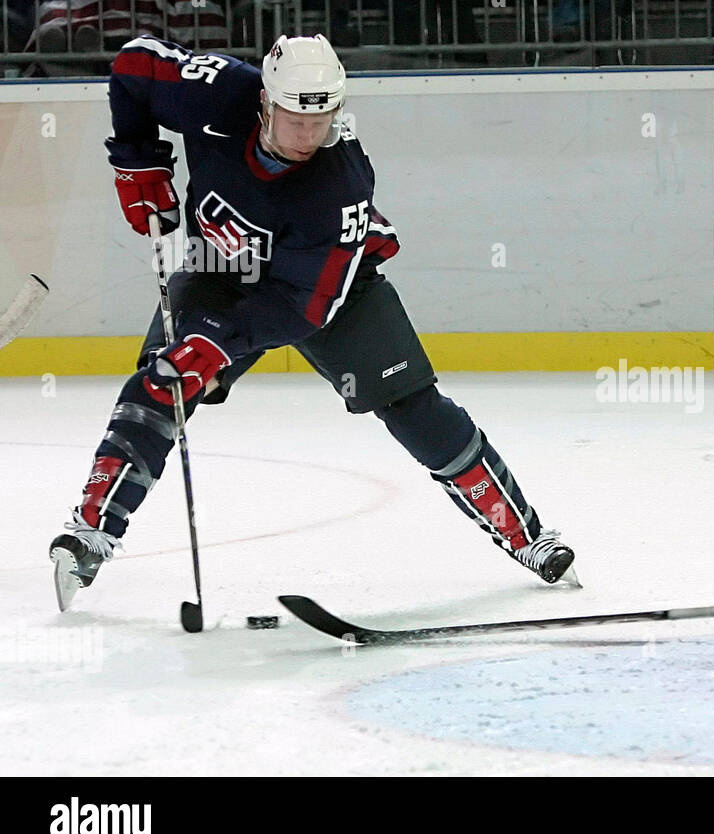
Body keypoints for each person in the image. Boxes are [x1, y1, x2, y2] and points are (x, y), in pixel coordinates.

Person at [48, 33, 578, 611]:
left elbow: (305, 308)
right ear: (265, 103)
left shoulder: (341, 183)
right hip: (219, 273)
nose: (308, 137)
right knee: (162, 383)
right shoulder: (215, 92)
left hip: (331, 291)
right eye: (295, 119)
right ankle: (89, 535)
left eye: (322, 119)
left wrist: (218, 344)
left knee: (411, 403)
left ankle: (526, 534)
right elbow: (133, 65)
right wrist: (136, 158)